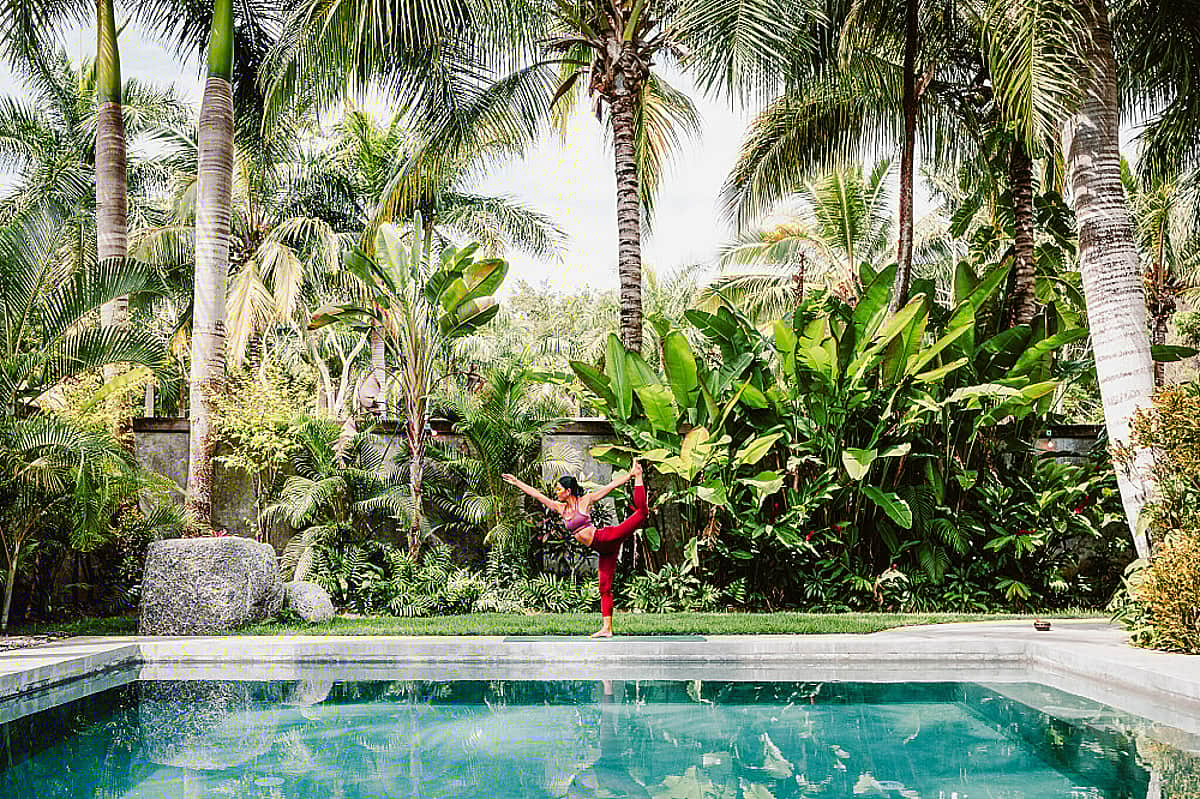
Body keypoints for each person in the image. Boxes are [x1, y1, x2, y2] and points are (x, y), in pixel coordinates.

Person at [502, 462, 648, 637]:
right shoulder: (560, 508)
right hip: (603, 550)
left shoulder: (585, 501)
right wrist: (517, 482)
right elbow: (537, 495)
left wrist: (631, 475)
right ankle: (607, 629)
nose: (556, 493)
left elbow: (610, 486)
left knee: (642, 513)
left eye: (559, 489)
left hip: (608, 537)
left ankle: (639, 476)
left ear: (568, 491)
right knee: (604, 587)